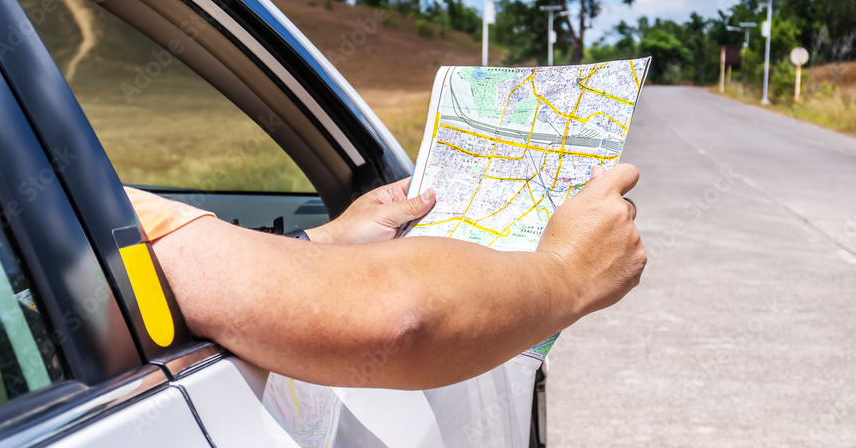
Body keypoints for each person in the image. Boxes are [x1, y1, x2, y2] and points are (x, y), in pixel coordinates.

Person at [126, 163, 645, 390]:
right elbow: (397, 318)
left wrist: (324, 241)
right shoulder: (102, 218)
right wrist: (567, 274)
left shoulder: (75, 224)